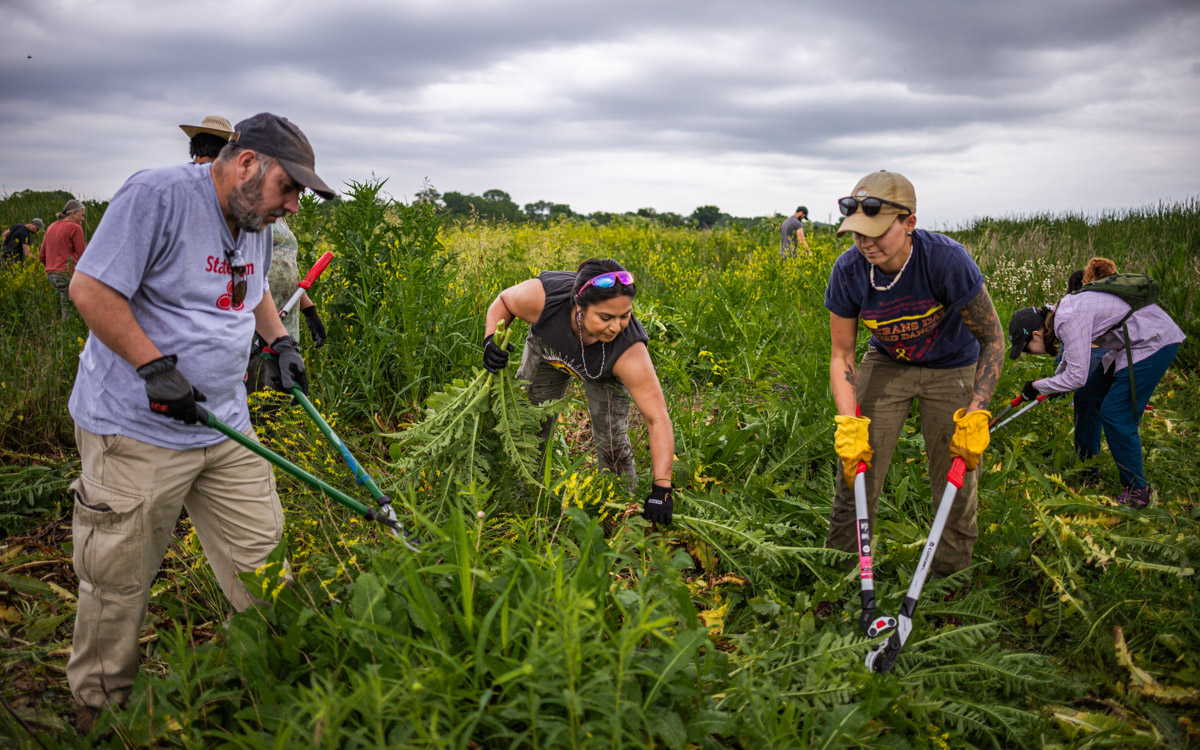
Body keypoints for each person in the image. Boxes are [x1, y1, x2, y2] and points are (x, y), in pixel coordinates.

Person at [65, 112, 334, 733]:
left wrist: (279, 341)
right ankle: (99, 712)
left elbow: (254, 288)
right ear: (247, 164)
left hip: (224, 425)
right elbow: (91, 290)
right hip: (136, 427)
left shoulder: (255, 218)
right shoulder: (156, 196)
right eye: (288, 188)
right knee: (117, 578)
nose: (293, 205)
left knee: (263, 562)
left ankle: (269, 688)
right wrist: (153, 366)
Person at [825, 170, 1003, 585]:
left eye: (876, 232)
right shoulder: (849, 270)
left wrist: (977, 413)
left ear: (909, 223)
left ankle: (950, 580)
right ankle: (839, 577)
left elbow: (993, 340)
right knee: (855, 470)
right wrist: (849, 423)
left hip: (953, 364)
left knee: (957, 475)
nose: (865, 243)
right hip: (888, 361)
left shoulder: (946, 260)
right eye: (857, 233)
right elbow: (842, 354)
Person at [482, 258, 676, 525]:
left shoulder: (629, 351)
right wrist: (490, 339)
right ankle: (525, 499)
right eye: (605, 317)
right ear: (579, 306)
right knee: (528, 424)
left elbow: (657, 418)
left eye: (624, 315)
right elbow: (504, 301)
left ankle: (618, 510)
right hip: (548, 352)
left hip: (604, 371)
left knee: (612, 443)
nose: (616, 327)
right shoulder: (544, 298)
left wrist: (662, 488)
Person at [1008, 258, 1184, 509]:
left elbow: (1076, 376)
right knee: (1086, 397)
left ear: (1036, 334)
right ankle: (1087, 471)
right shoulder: (1063, 312)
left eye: (1027, 349)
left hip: (1153, 342)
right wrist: (1052, 384)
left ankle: (1137, 491)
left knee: (1115, 414)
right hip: (1131, 344)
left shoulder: (1067, 318)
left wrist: (1038, 386)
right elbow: (1071, 359)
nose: (1029, 353)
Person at [246, 216, 326, 397]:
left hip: (285, 324)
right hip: (258, 326)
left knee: (281, 394)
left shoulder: (279, 217)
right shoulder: (246, 213)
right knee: (258, 394)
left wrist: (309, 309)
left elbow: (288, 269)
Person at [39, 200, 87, 319]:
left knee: (66, 306)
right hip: (66, 274)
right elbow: (83, 256)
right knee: (69, 312)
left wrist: (51, 269)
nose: (83, 219)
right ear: (73, 214)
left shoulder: (51, 227)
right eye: (82, 215)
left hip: (51, 275)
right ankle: (67, 332)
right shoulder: (75, 228)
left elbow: (42, 256)